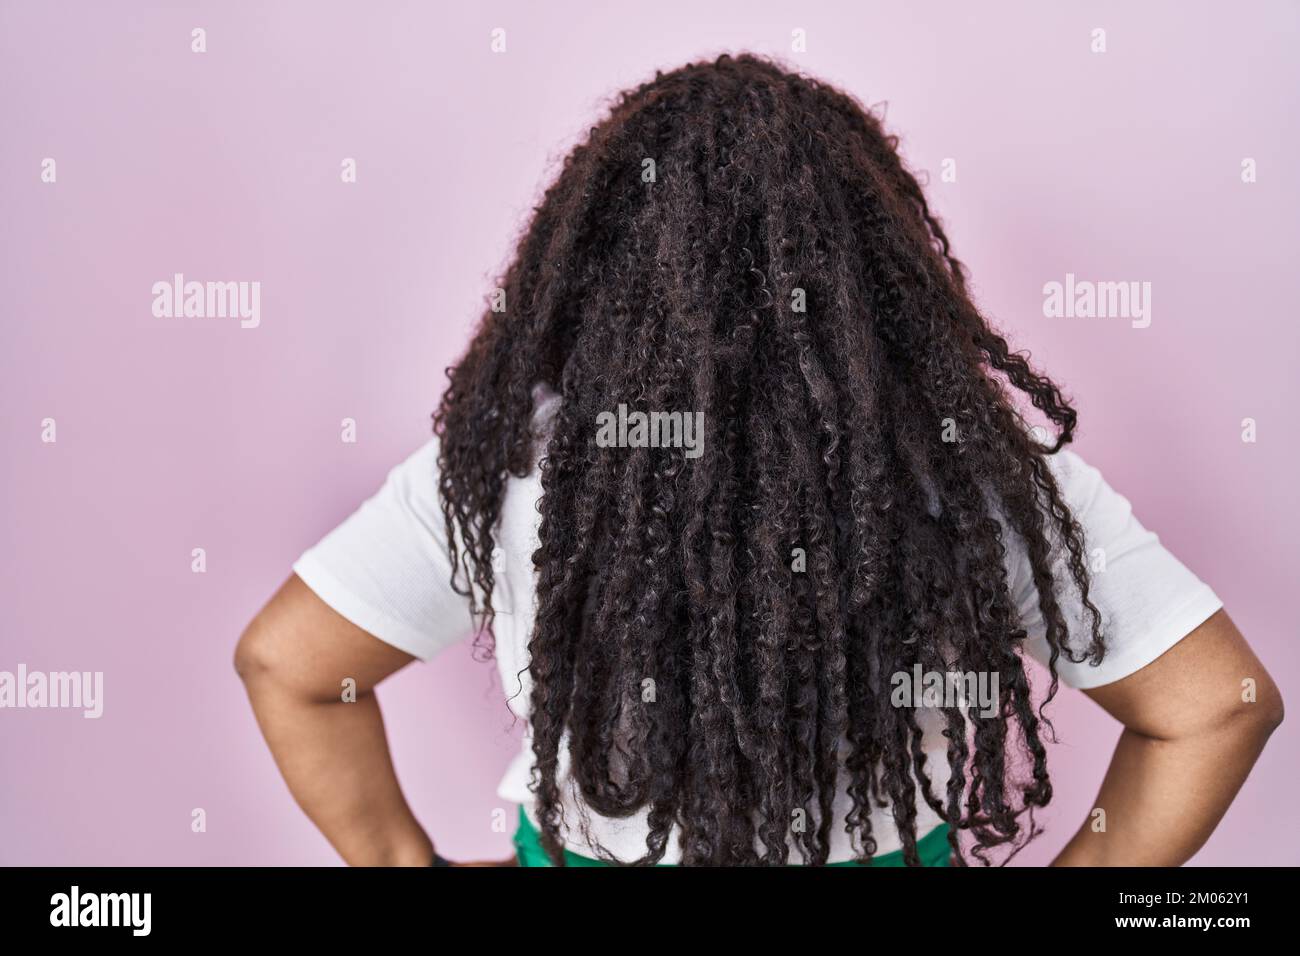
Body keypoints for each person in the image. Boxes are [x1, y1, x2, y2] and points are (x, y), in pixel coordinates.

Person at [235, 54, 1283, 867]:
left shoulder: (510, 460)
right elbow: (1218, 702)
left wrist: (396, 860)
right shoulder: (963, 469)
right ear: (876, 262)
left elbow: (289, 662)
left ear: (594, 261)